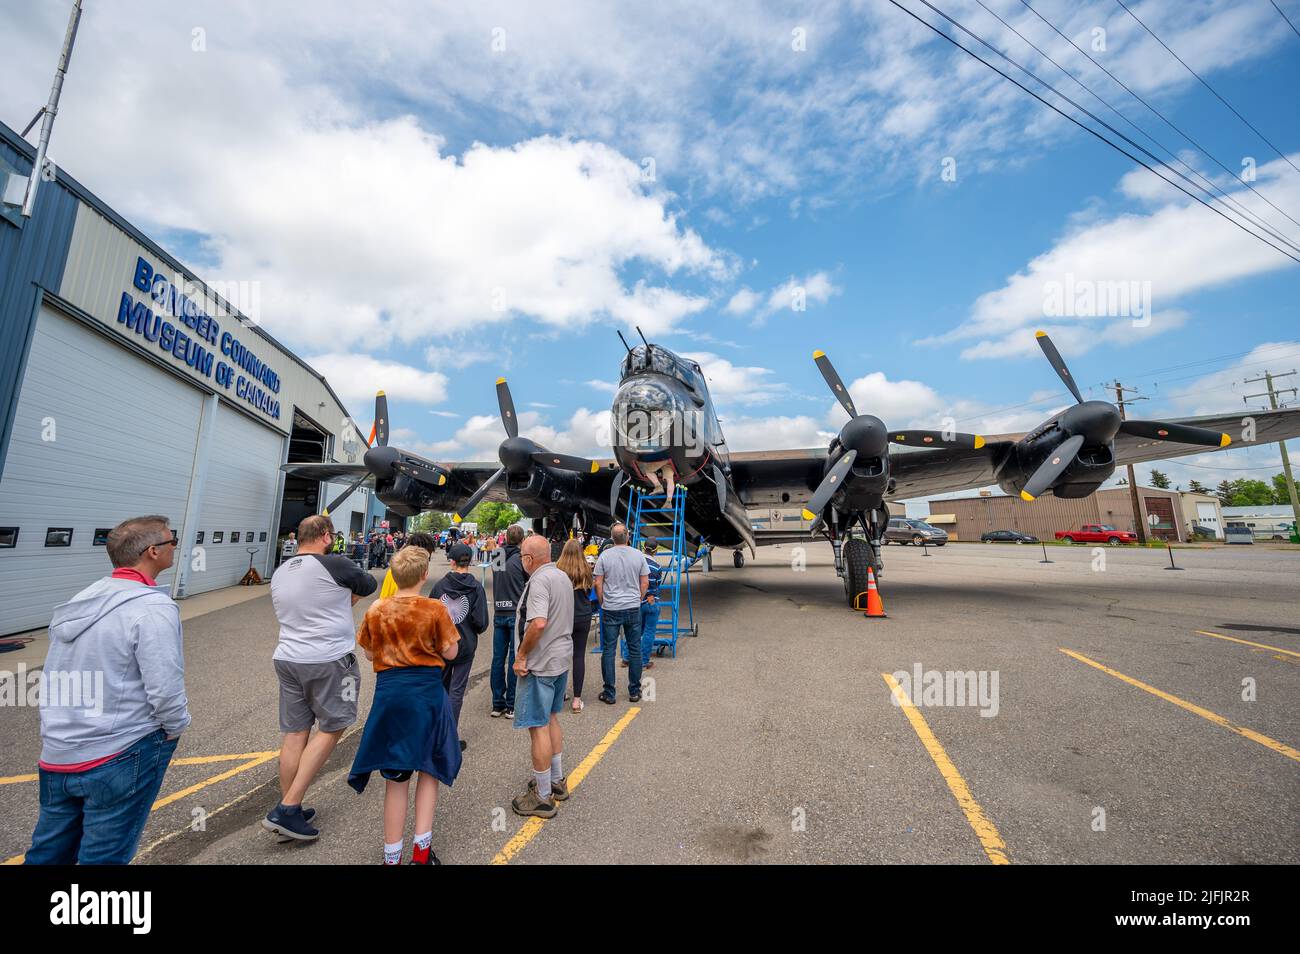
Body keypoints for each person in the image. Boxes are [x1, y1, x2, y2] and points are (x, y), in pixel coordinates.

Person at [25, 516, 190, 865]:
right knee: (104, 856)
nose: (175, 545)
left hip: (59, 750)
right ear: (153, 551)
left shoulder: (82, 601)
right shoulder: (152, 608)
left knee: (47, 852)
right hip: (122, 749)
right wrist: (175, 728)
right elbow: (164, 687)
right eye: (171, 540)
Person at [264, 514, 378, 842]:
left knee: (295, 733)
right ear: (326, 536)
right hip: (327, 659)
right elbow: (368, 584)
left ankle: (291, 807)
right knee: (332, 727)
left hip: (287, 657)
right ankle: (287, 807)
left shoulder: (281, 571)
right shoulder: (334, 564)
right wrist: (346, 596)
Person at [347, 546, 461, 865]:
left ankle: (391, 857)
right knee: (429, 768)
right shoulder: (435, 610)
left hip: (391, 696)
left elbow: (369, 653)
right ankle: (421, 855)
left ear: (394, 576)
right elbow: (451, 653)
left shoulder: (377, 609)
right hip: (426, 695)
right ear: (425, 575)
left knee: (395, 777)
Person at [510, 535, 574, 818]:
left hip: (540, 663)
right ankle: (557, 781)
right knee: (551, 718)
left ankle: (543, 796)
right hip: (560, 659)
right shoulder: (562, 576)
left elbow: (537, 623)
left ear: (528, 559)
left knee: (537, 726)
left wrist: (521, 656)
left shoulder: (538, 581)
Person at [430, 543, 488, 747]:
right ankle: (449, 738)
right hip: (465, 646)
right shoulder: (476, 588)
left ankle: (437, 733)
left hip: (442, 647)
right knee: (457, 691)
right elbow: (481, 622)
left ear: (452, 562)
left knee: (441, 688)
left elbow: (431, 616)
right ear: (470, 561)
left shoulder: (439, 587)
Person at [593, 523, 649, 705]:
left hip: (611, 608)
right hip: (632, 606)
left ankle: (609, 692)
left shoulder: (604, 556)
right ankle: (634, 690)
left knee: (609, 650)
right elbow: (644, 583)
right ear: (628, 537)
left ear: (611, 537)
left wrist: (602, 602)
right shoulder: (638, 555)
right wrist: (637, 599)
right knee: (634, 649)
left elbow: (598, 583)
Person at [489, 525, 527, 718]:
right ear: (521, 540)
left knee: (498, 658)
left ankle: (497, 703)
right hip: (515, 612)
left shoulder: (497, 554)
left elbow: (498, 577)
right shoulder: (521, 559)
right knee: (514, 657)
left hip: (499, 611)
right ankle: (512, 704)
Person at [556, 539, 595, 714]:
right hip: (582, 615)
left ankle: (561, 692)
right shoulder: (586, 569)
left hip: (563, 615)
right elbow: (589, 590)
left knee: (560, 654)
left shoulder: (558, 569)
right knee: (578, 656)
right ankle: (577, 700)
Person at [622, 537, 662, 670]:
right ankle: (644, 661)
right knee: (649, 632)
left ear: (644, 547)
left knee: (634, 631)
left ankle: (627, 658)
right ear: (655, 551)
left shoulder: (635, 562)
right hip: (651, 601)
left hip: (636, 601)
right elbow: (657, 585)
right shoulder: (657, 567)